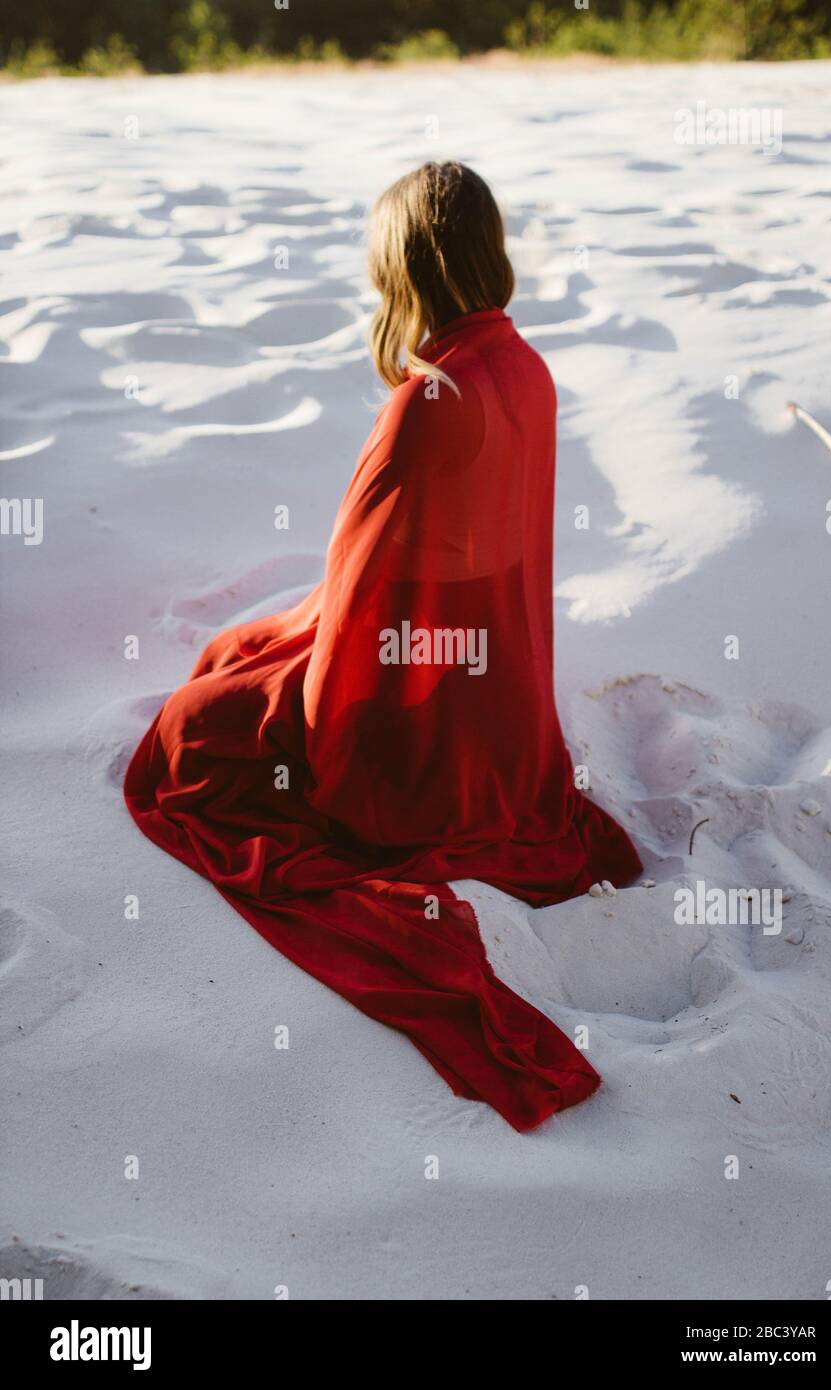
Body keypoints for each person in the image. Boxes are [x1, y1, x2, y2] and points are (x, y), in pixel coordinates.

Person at [125, 161, 642, 1132]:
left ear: (403, 268)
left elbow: (364, 598)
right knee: (247, 654)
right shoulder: (525, 366)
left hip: (415, 708)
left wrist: (320, 729)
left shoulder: (429, 399)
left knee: (189, 739)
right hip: (495, 700)